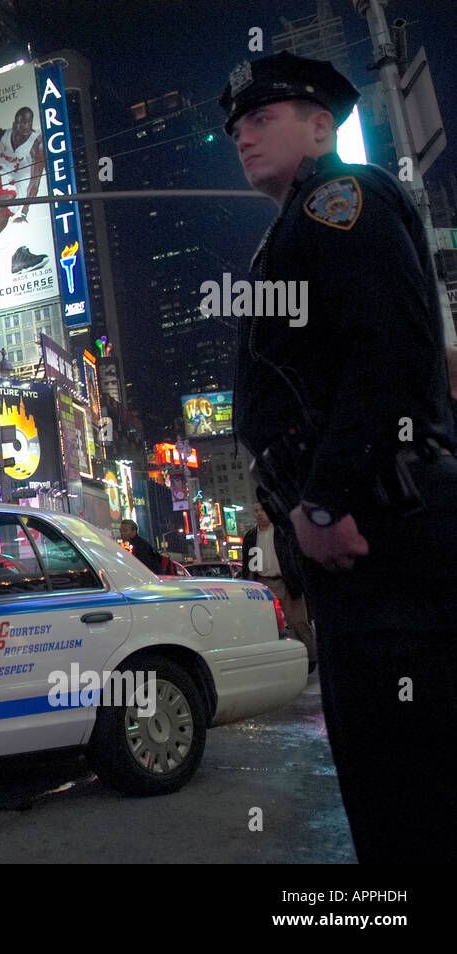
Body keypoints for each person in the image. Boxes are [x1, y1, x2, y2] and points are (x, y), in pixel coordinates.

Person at [221, 50, 457, 862]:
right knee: (384, 778)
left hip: (381, 526)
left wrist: (323, 500)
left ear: (321, 124)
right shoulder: (297, 223)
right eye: (235, 127)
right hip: (361, 537)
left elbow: (383, 352)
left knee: (406, 785)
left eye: (262, 117)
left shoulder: (337, 201)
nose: (242, 137)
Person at [240, 502, 314, 670]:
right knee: (271, 626)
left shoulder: (283, 532)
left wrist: (298, 580)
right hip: (264, 584)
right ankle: (282, 662)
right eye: (256, 510)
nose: (259, 514)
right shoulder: (252, 537)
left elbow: (295, 558)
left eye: (263, 510)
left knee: (299, 623)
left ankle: (310, 659)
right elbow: (250, 566)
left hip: (287, 582)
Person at [0, 107, 47, 272]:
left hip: (24, 176)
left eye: (29, 122)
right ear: (15, 124)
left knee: (7, 211)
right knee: (4, 200)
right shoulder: (5, 135)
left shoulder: (37, 145)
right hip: (6, 168)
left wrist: (24, 211)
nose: (26, 126)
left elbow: (35, 180)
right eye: (23, 123)